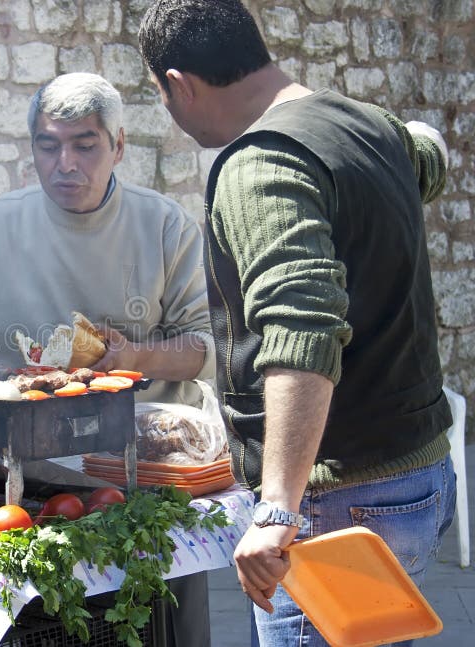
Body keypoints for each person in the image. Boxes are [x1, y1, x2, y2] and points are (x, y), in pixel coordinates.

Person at [138, 1, 456, 645]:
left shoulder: (260, 165)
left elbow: (302, 330)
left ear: (178, 84)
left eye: (160, 96)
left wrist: (277, 508)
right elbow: (429, 155)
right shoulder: (368, 126)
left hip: (336, 503)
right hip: (419, 475)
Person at [0, 72, 214, 406]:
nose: (65, 164)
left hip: (148, 429)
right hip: (27, 428)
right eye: (48, 146)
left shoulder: (166, 225)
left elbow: (212, 346)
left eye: (85, 146)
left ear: (118, 146)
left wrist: (133, 356)